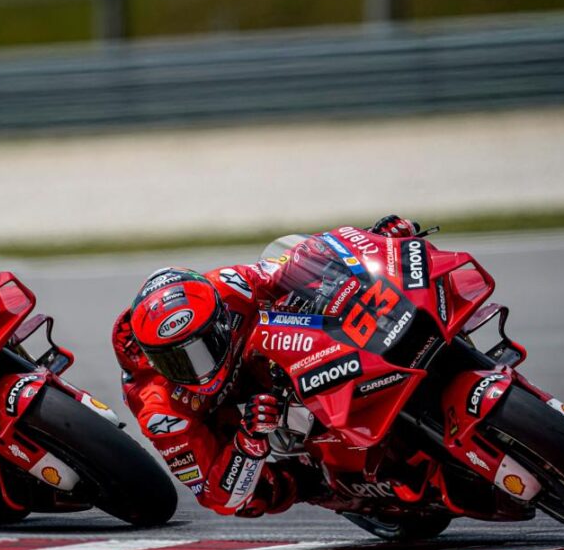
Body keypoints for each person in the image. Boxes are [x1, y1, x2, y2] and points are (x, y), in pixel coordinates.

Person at [111, 216, 419, 518]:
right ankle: (321, 485)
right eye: (176, 361)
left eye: (202, 348)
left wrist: (372, 244)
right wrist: (248, 440)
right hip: (232, 418)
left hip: (267, 355)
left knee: (312, 293)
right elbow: (215, 496)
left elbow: (296, 261)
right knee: (254, 499)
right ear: (154, 359)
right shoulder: (159, 408)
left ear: (220, 321)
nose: (196, 370)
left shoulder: (230, 285)